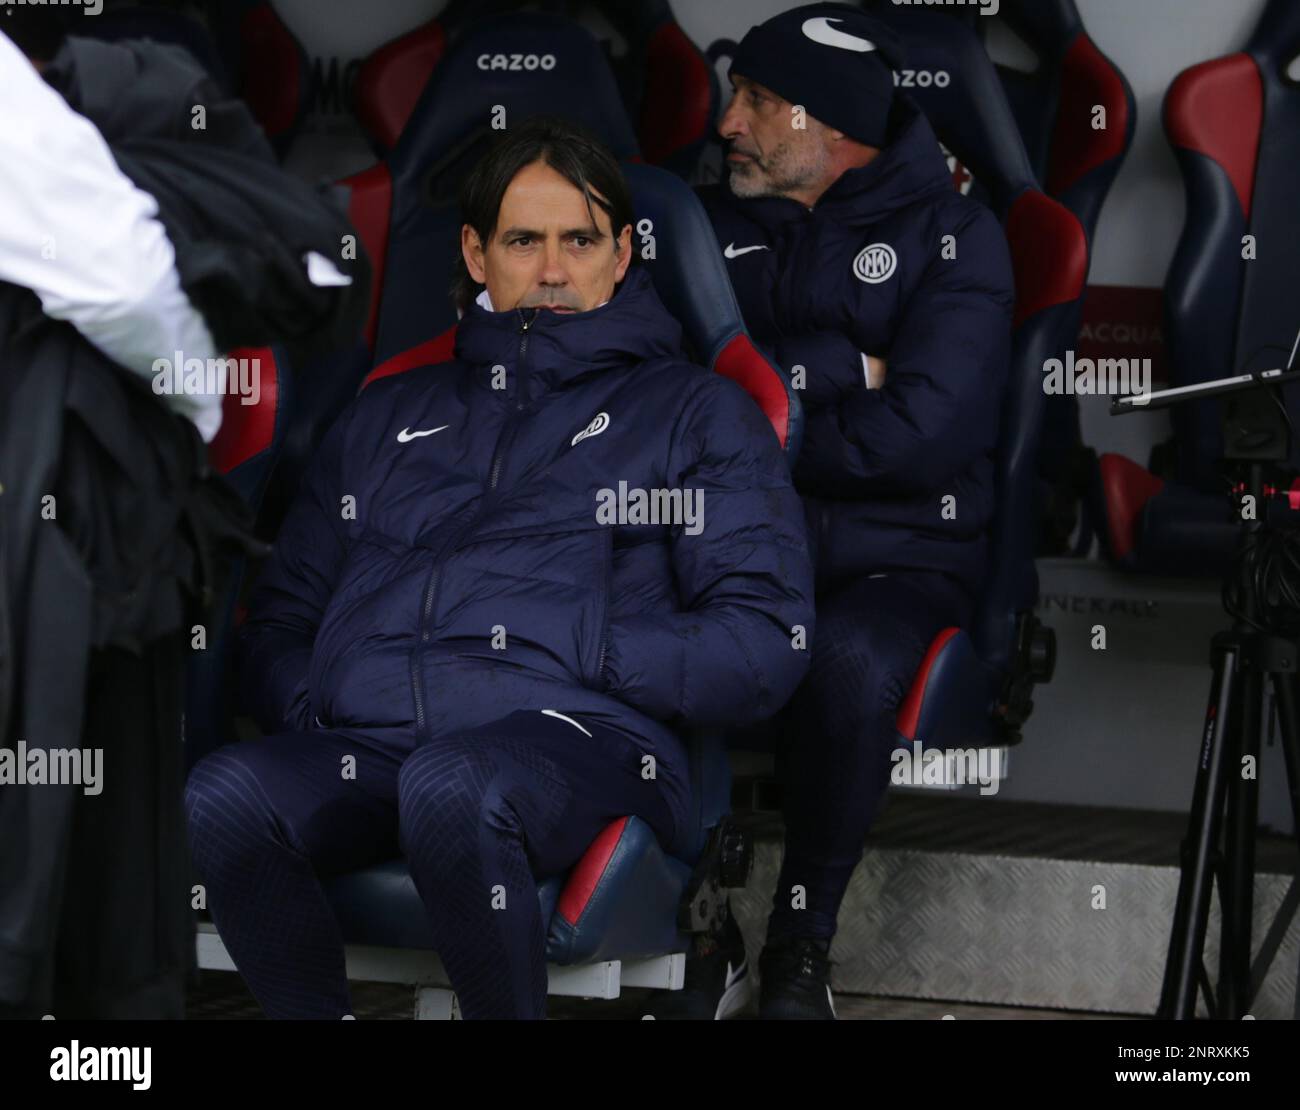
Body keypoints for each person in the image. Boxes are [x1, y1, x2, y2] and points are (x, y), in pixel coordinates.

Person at [183, 115, 816, 1020]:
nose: (553, 272)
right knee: (225, 793)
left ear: (626, 251)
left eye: (580, 241)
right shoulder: (387, 412)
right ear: (477, 254)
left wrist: (584, 652)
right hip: (380, 739)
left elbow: (764, 642)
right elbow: (282, 619)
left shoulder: (695, 414)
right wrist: (323, 693)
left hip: (588, 738)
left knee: (456, 783)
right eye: (524, 241)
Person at [679, 3, 1015, 1020]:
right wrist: (836, 368)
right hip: (725, 543)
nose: (728, 123)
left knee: (848, 664)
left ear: (830, 126)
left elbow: (919, 434)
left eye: (757, 102)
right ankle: (678, 922)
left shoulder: (957, 236)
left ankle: (798, 946)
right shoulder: (703, 222)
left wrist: (758, 438)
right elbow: (664, 390)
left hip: (893, 556)